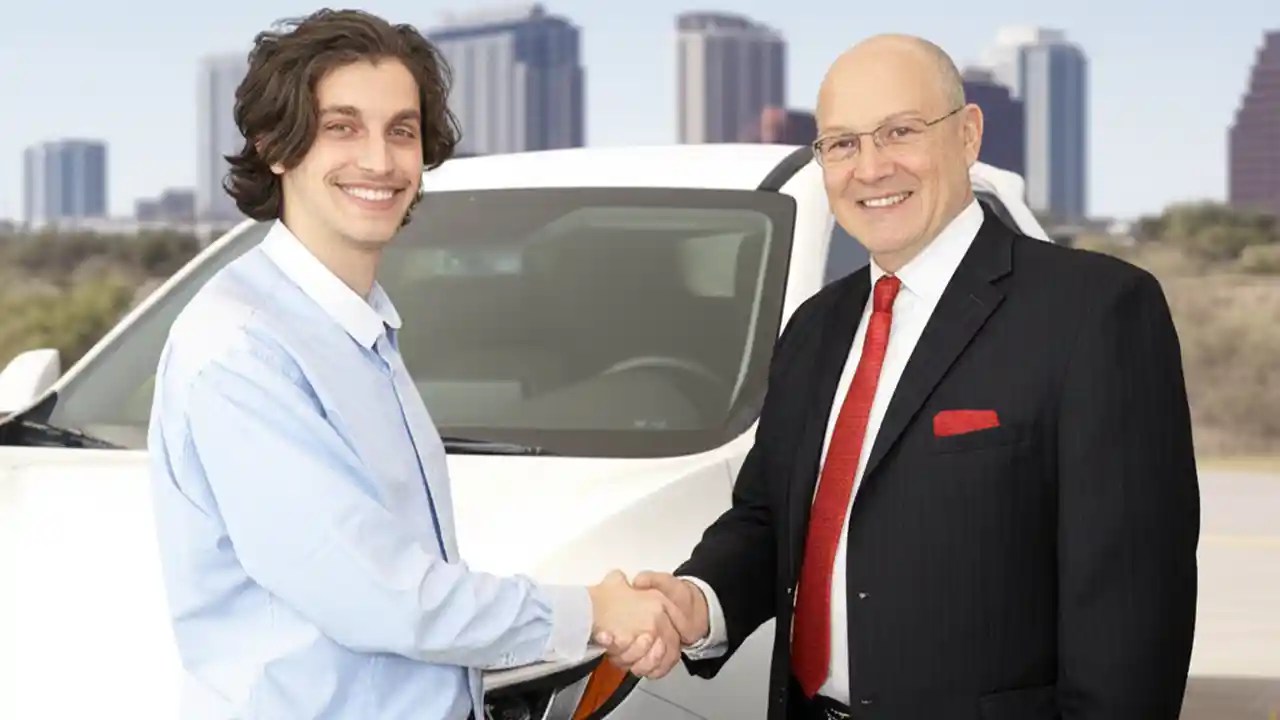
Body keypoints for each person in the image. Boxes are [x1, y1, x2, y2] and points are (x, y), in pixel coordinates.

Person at [605, 34, 1200, 720]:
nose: (871, 168)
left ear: (968, 135)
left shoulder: (1094, 313)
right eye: (842, 144)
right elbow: (769, 521)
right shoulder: (814, 330)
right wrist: (696, 601)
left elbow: (1131, 611)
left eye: (900, 132)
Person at [146, 9, 688, 719]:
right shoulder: (243, 348)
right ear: (276, 145)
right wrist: (592, 611)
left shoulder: (354, 327)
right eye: (342, 126)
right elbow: (380, 595)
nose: (379, 160)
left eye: (400, 130)